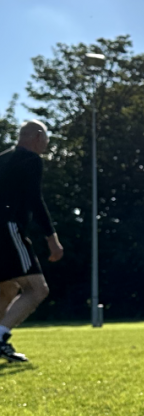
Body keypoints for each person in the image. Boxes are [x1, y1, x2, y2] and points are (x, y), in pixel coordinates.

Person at [0, 120, 65, 363]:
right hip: (8, 228)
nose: (47, 144)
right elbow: (35, 200)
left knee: (7, 289)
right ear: (37, 137)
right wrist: (52, 239)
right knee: (37, 289)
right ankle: (0, 336)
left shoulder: (3, 158)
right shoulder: (31, 159)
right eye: (46, 138)